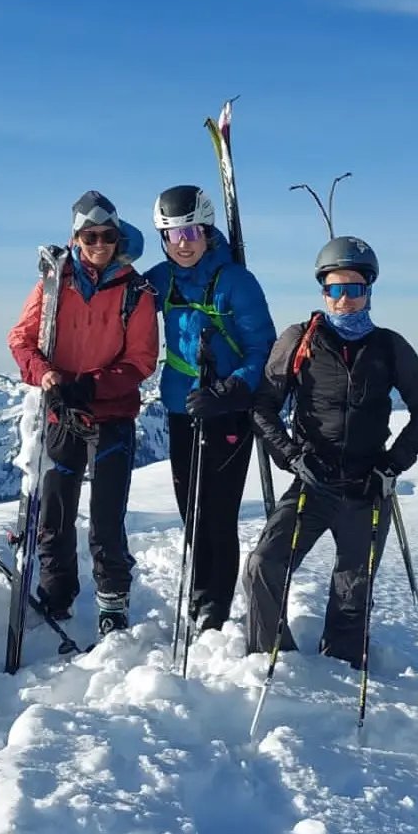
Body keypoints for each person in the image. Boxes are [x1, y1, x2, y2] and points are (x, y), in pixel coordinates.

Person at [245, 236, 418, 667]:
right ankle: (271, 656)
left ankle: (343, 669)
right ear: (323, 292)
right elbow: (262, 408)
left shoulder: (389, 346)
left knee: (353, 590)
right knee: (263, 564)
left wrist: (392, 463)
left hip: (368, 487)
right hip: (313, 483)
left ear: (368, 291)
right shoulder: (299, 340)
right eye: (335, 289)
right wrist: (293, 456)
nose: (344, 299)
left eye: (354, 289)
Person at [7, 190, 158, 638]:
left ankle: (113, 601)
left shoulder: (135, 291)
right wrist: (48, 377)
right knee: (55, 512)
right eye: (89, 235)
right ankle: (57, 593)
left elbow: (141, 361)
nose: (99, 243)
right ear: (75, 237)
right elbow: (22, 340)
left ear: (118, 236)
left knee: (106, 517)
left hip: (111, 415)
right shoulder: (53, 285)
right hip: (61, 413)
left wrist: (90, 385)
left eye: (107, 235)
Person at [143, 185, 276, 633]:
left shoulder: (236, 282)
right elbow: (119, 292)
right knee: (191, 510)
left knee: (218, 512)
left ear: (209, 230)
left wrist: (233, 389)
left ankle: (214, 606)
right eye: (173, 234)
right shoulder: (162, 280)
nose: (183, 243)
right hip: (183, 409)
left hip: (228, 410)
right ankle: (202, 593)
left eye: (193, 232)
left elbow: (263, 348)